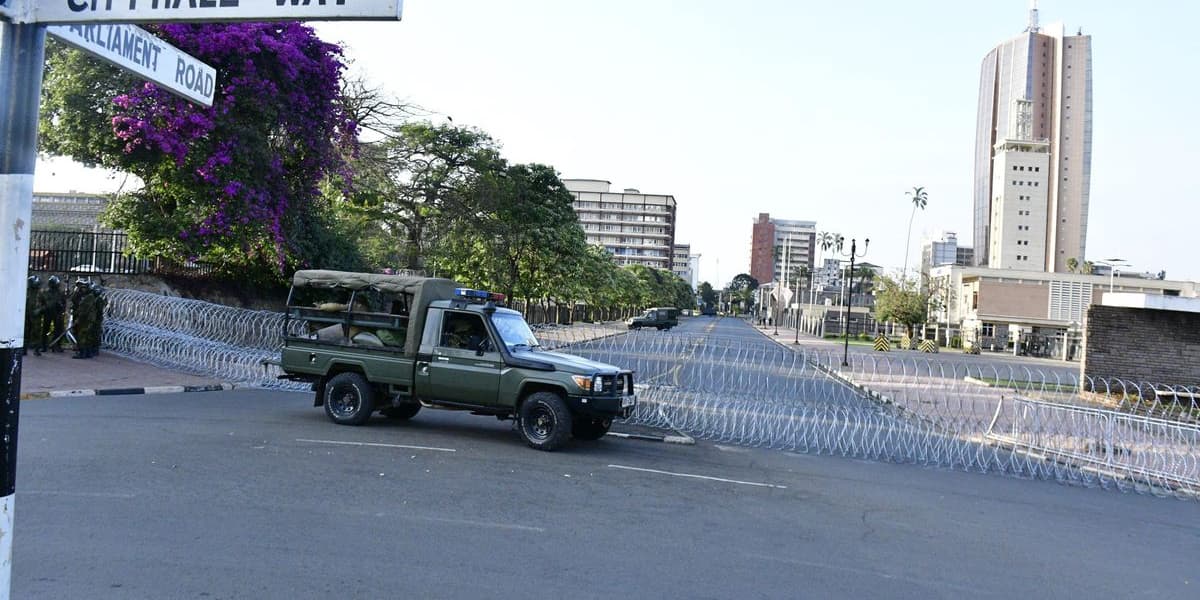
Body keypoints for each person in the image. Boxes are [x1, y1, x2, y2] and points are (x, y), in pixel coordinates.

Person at [40, 275, 67, 353]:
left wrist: (61, 309)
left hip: (57, 313)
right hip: (48, 313)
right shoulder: (45, 292)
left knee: (58, 330)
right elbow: (42, 303)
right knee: (45, 330)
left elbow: (64, 303)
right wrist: (44, 308)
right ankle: (44, 346)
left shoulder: (60, 293)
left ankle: (57, 345)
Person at [71, 278, 94, 359]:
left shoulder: (89, 297)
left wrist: (79, 319)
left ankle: (83, 353)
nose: (82, 289)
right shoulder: (80, 295)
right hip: (81, 317)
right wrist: (76, 290)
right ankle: (86, 352)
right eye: (81, 287)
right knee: (80, 334)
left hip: (86, 319)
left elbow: (84, 310)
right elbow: (73, 299)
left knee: (83, 335)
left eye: (84, 287)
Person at [24, 275, 43, 356]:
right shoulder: (26, 291)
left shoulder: (40, 293)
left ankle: (37, 349)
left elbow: (46, 305)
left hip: (36, 317)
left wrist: (39, 310)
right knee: (25, 332)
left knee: (36, 333)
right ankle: (24, 349)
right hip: (27, 314)